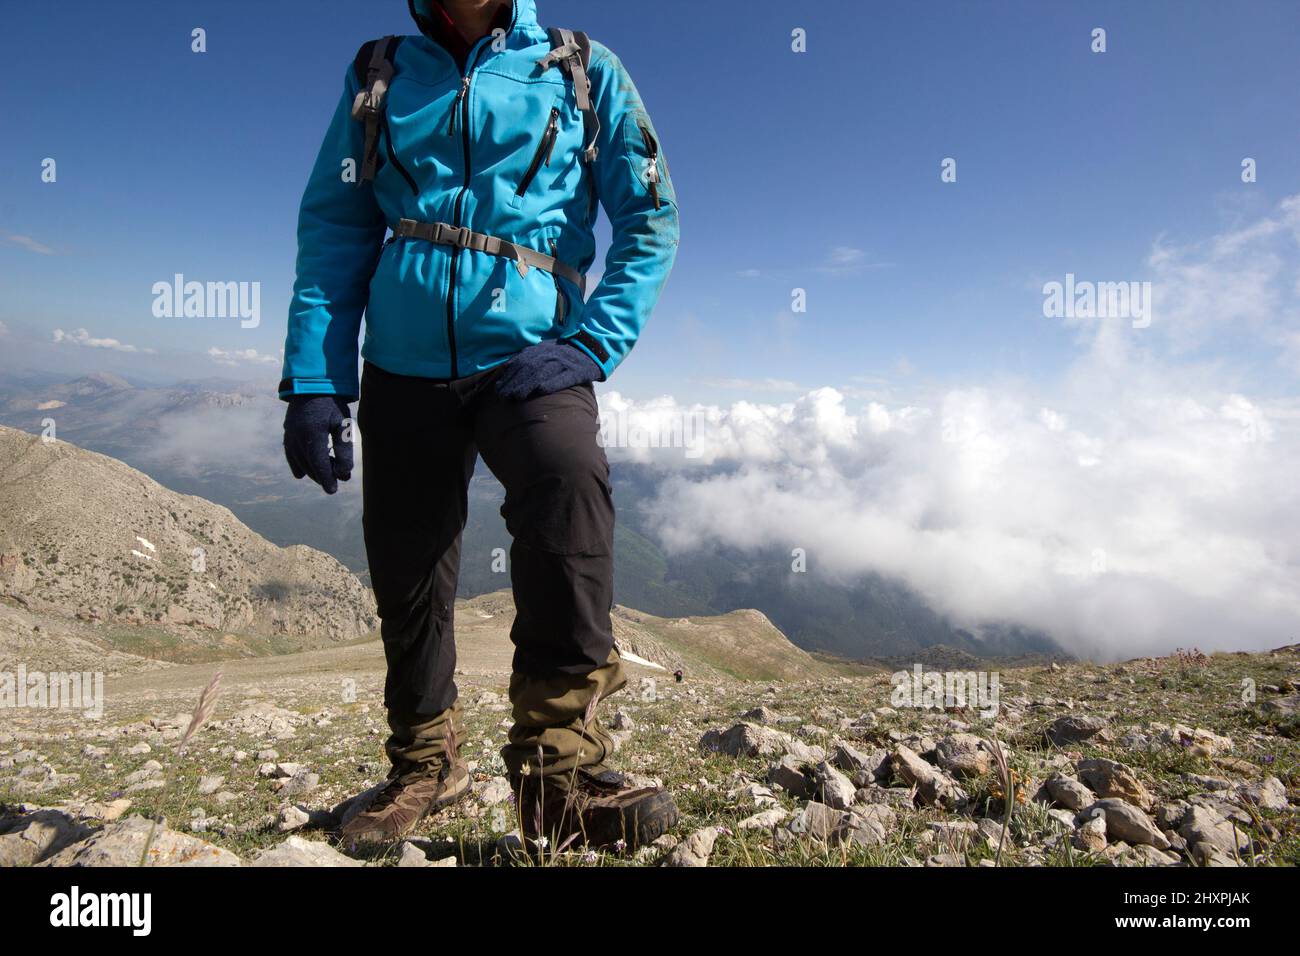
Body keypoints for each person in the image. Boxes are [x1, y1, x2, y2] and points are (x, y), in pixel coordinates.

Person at [279, 0, 679, 849]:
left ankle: (558, 774)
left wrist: (591, 344)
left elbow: (650, 219)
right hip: (402, 360)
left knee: (569, 496)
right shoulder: (379, 73)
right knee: (407, 559)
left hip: (534, 356)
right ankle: (424, 762)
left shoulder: (581, 66)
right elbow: (337, 225)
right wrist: (317, 377)